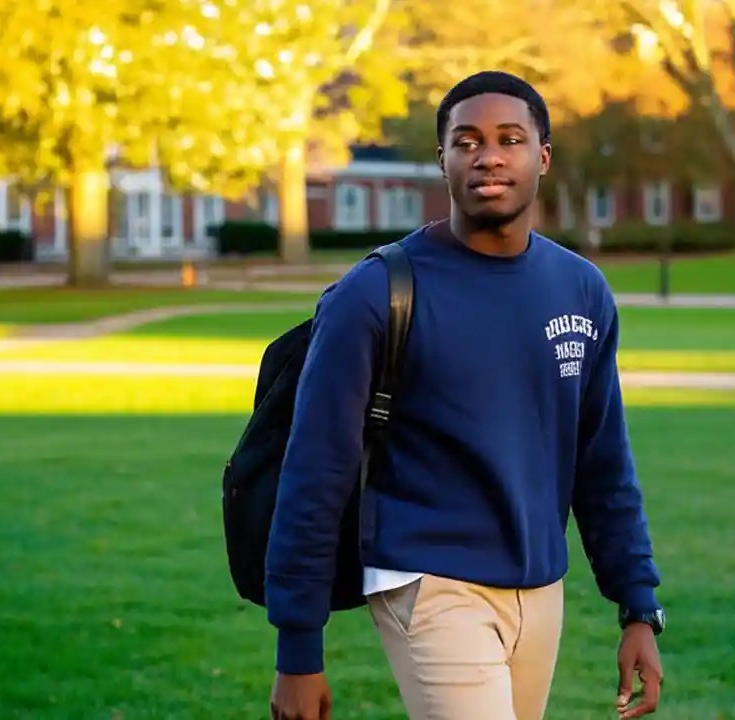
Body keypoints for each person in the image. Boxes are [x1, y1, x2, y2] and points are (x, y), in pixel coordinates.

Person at [265, 70, 665, 720]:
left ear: (541, 156)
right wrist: (298, 649)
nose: (488, 155)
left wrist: (638, 604)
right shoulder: (375, 295)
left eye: (509, 138)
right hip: (428, 580)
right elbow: (314, 473)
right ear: (442, 158)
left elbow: (603, 464)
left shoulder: (581, 290)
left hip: (540, 586)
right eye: (467, 140)